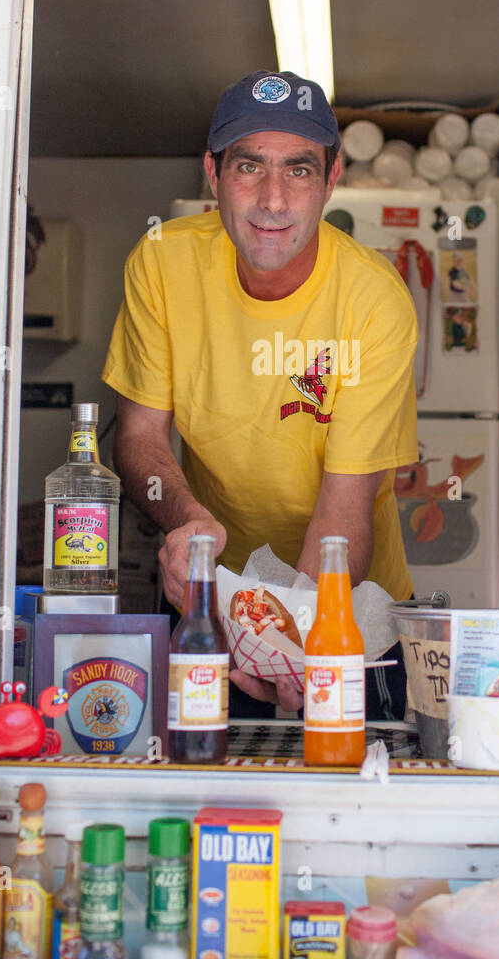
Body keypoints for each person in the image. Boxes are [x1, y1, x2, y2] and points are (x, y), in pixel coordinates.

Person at [102, 70, 418, 717]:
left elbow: (344, 510)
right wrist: (187, 526)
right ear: (213, 174)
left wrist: (290, 639)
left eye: (299, 171)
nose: (273, 200)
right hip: (207, 593)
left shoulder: (373, 300)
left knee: (357, 808)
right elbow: (138, 438)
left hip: (347, 610)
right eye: (249, 167)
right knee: (207, 793)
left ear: (331, 181)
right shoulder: (162, 264)